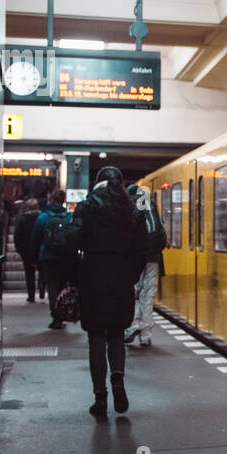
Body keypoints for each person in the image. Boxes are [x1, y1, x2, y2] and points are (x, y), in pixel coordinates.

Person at [68, 166, 145, 419]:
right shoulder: (130, 209)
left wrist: (75, 275)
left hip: (93, 275)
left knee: (96, 338)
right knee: (116, 333)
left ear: (97, 183)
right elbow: (141, 247)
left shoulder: (86, 206)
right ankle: (118, 379)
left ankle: (100, 397)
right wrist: (132, 275)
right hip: (121, 275)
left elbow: (72, 241)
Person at [125, 183, 166, 347]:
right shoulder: (151, 205)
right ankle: (146, 335)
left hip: (137, 256)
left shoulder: (131, 205)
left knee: (134, 291)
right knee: (148, 294)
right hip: (154, 256)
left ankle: (133, 324)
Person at [31, 189, 72, 329]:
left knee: (52, 287)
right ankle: (63, 314)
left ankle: (56, 317)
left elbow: (35, 239)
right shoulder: (68, 217)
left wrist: (34, 259)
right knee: (62, 287)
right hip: (65, 257)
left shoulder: (43, 217)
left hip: (47, 257)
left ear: (51, 200)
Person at [13, 198, 41, 302]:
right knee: (42, 270)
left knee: (29, 274)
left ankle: (31, 295)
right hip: (39, 248)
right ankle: (42, 289)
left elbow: (17, 235)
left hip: (26, 250)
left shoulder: (22, 219)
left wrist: (19, 249)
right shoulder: (42, 217)